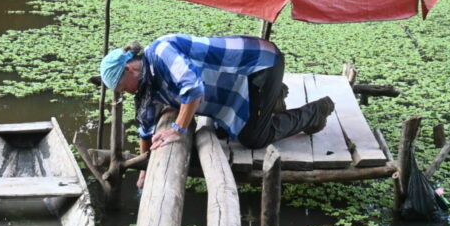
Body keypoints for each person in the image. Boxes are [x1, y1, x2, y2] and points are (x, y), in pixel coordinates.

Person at [95, 34, 334, 183]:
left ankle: (315, 112)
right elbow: (145, 127)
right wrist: (144, 169)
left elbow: (193, 89)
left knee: (253, 137)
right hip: (238, 79)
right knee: (223, 132)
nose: (124, 93)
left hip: (260, 64)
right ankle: (272, 98)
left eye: (121, 87)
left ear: (129, 70)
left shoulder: (161, 51)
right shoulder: (146, 85)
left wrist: (178, 128)